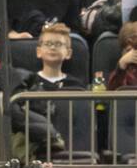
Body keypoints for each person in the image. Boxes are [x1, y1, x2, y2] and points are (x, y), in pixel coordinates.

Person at [5, 23, 83, 156]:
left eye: (58, 44)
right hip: (37, 148)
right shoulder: (28, 83)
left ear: (68, 53)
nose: (52, 47)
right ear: (38, 51)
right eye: (48, 44)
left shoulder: (76, 85)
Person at [105, 21, 137, 90]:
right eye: (129, 50)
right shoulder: (122, 70)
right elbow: (111, 92)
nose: (132, 54)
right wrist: (121, 66)